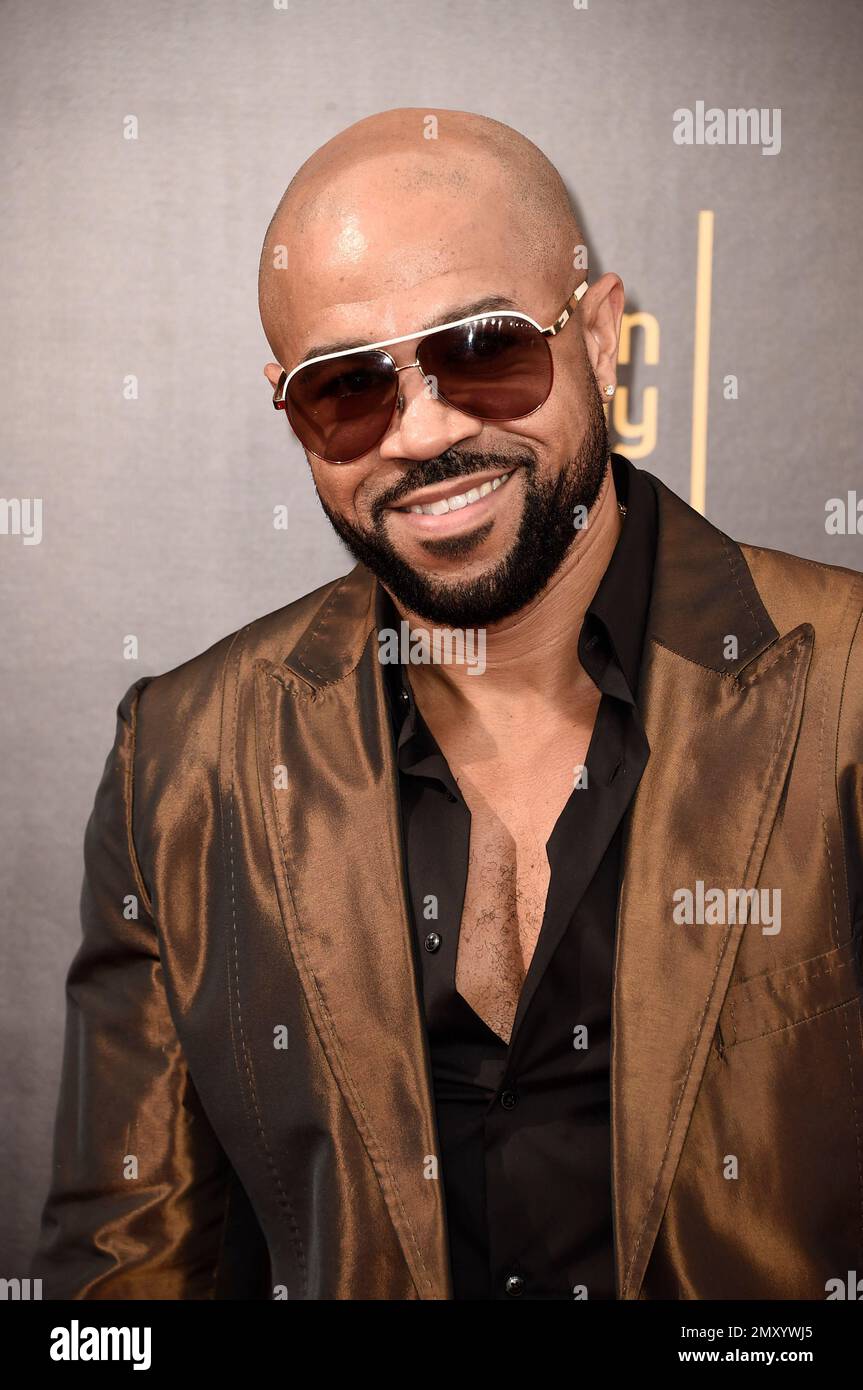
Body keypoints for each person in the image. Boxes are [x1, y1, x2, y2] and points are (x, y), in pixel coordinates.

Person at [33, 107, 863, 1300]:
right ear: (287, 409)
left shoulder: (838, 687)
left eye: (481, 349)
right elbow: (119, 1276)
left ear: (599, 335)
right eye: (345, 389)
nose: (423, 431)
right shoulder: (185, 757)